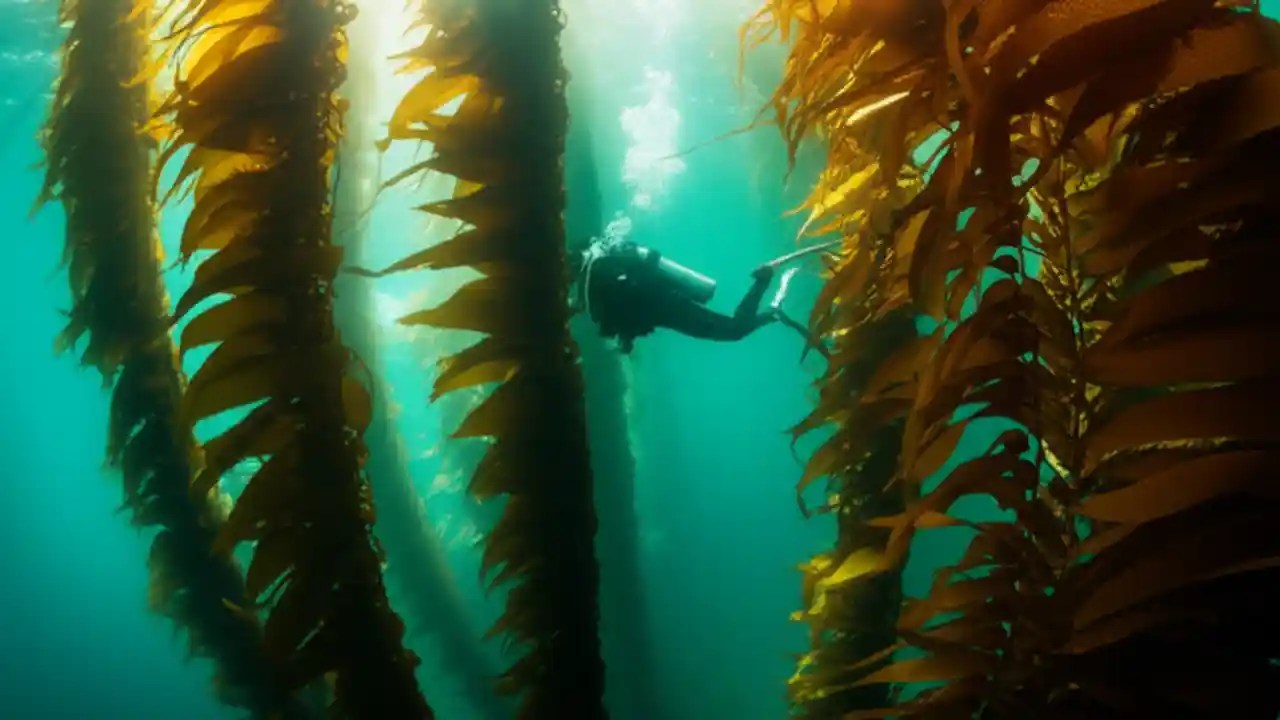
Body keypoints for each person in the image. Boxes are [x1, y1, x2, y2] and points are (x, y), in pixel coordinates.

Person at [572, 234, 821, 356]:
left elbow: (629, 306)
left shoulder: (598, 279)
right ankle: (771, 310)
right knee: (734, 330)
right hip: (667, 308)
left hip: (670, 306)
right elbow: (628, 312)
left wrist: (624, 338)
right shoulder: (599, 276)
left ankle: (764, 280)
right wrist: (626, 338)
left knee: (734, 330)